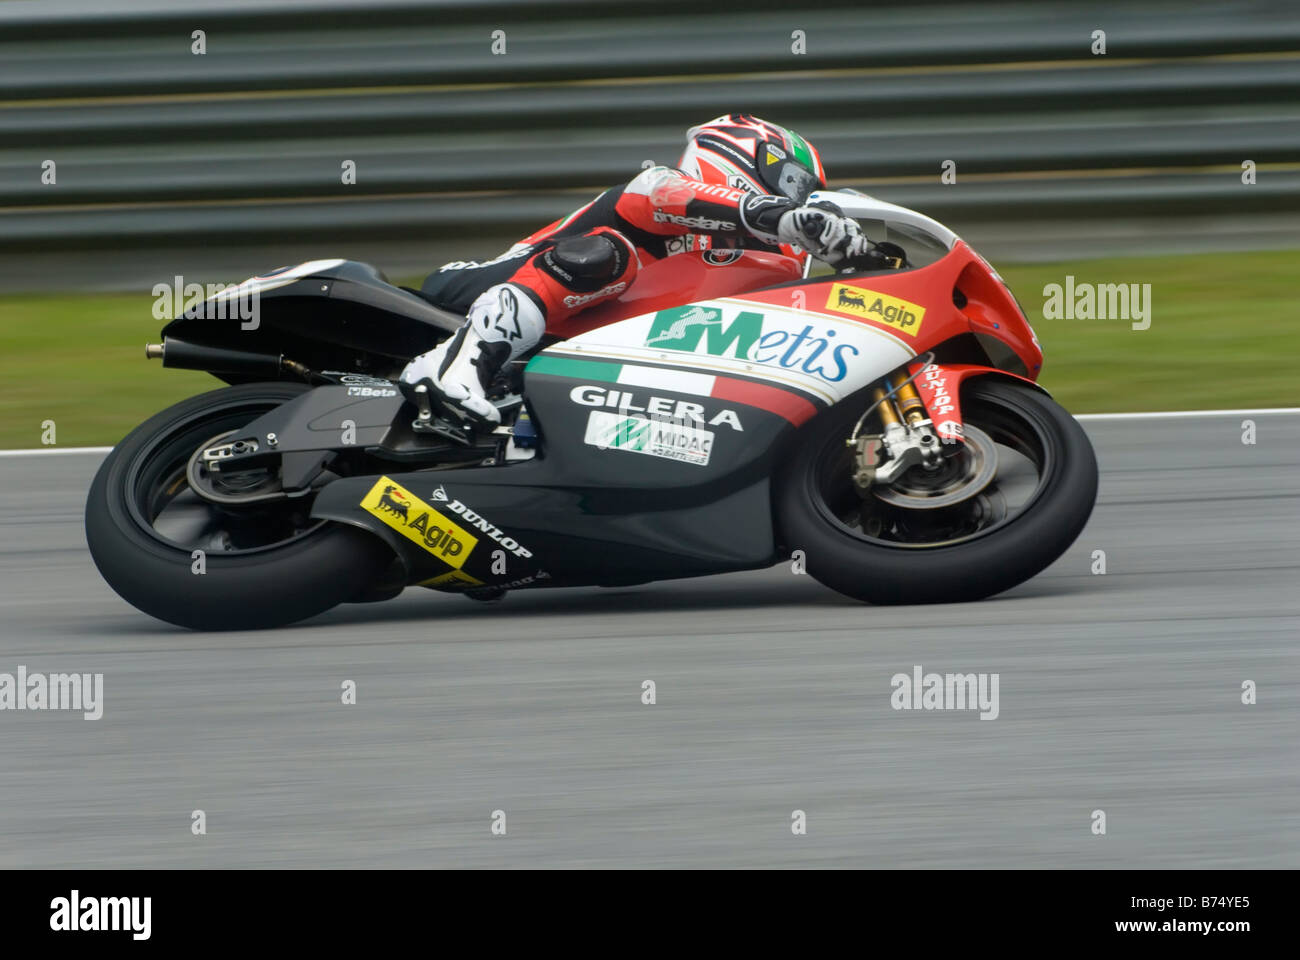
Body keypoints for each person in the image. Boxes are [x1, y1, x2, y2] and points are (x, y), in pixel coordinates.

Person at [400, 114, 872, 425]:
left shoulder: (736, 263)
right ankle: (451, 365)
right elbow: (663, 193)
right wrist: (782, 217)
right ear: (743, 154)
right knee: (610, 255)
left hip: (563, 349)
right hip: (470, 290)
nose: (800, 201)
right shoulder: (664, 188)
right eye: (795, 185)